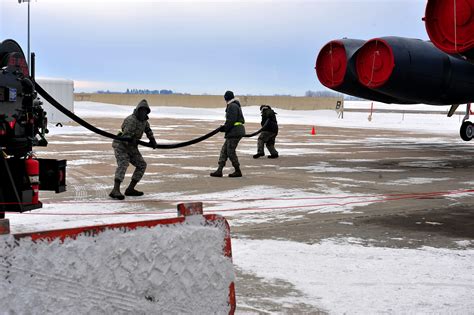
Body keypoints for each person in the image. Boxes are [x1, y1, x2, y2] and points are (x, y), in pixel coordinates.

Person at [109, 99, 158, 200]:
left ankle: (130, 189)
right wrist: (132, 140)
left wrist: (152, 140)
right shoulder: (131, 120)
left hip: (132, 146)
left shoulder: (144, 121)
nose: (143, 113)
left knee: (142, 165)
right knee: (123, 164)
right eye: (142, 110)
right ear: (138, 110)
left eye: (145, 111)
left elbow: (148, 130)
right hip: (121, 145)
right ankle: (115, 190)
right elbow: (126, 135)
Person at [210, 90, 246, 178]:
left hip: (235, 132)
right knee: (224, 151)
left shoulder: (232, 106)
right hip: (233, 131)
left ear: (226, 98)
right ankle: (219, 170)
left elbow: (231, 121)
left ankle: (238, 171)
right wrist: (225, 127)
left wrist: (224, 128)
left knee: (230, 151)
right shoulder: (233, 105)